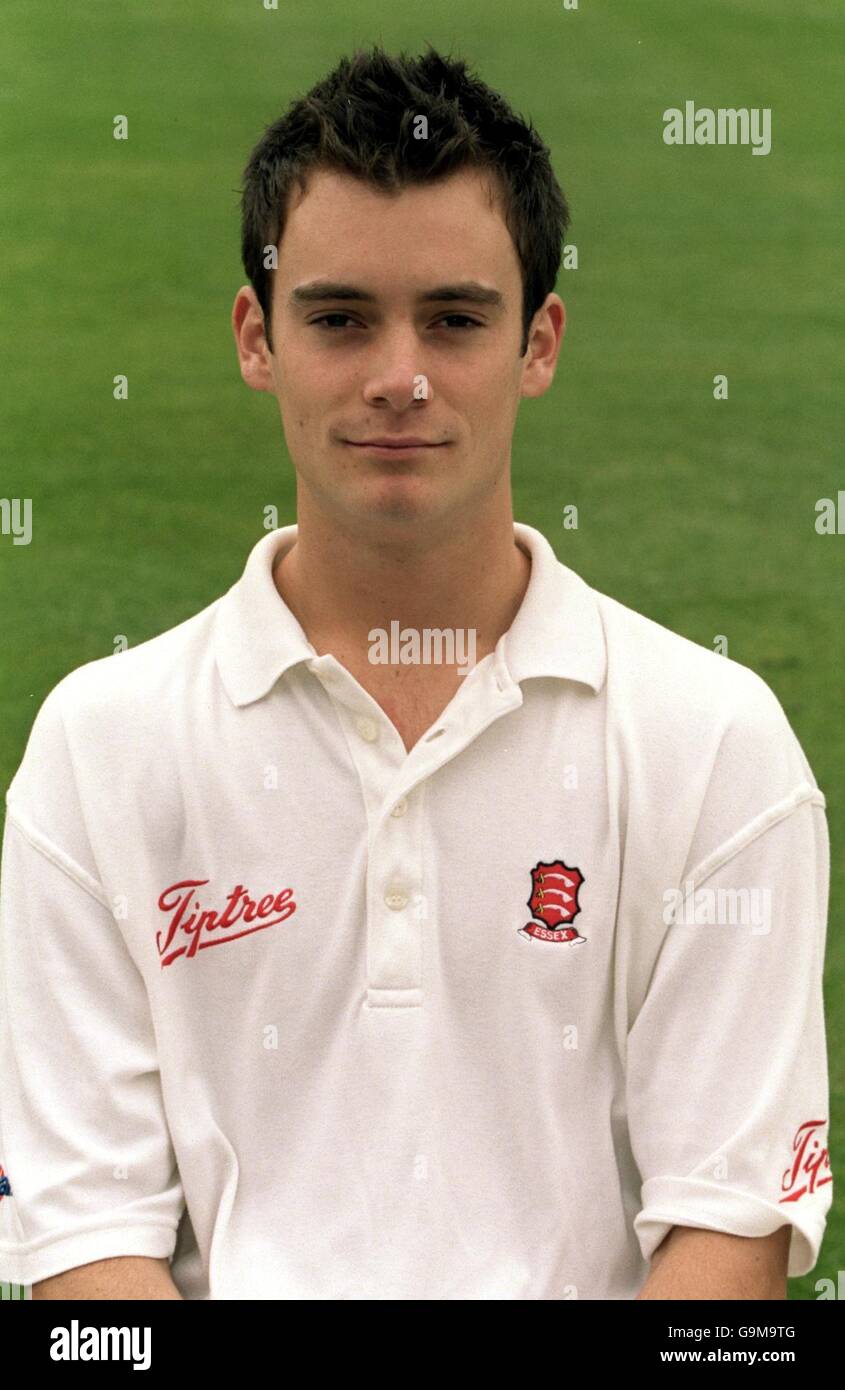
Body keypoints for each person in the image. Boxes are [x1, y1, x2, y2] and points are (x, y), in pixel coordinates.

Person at [0, 47, 831, 1301]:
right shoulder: (97, 747)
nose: (400, 377)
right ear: (256, 337)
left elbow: (725, 1242)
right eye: (338, 319)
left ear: (537, 342)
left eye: (453, 318)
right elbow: (82, 1254)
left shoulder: (714, 745)